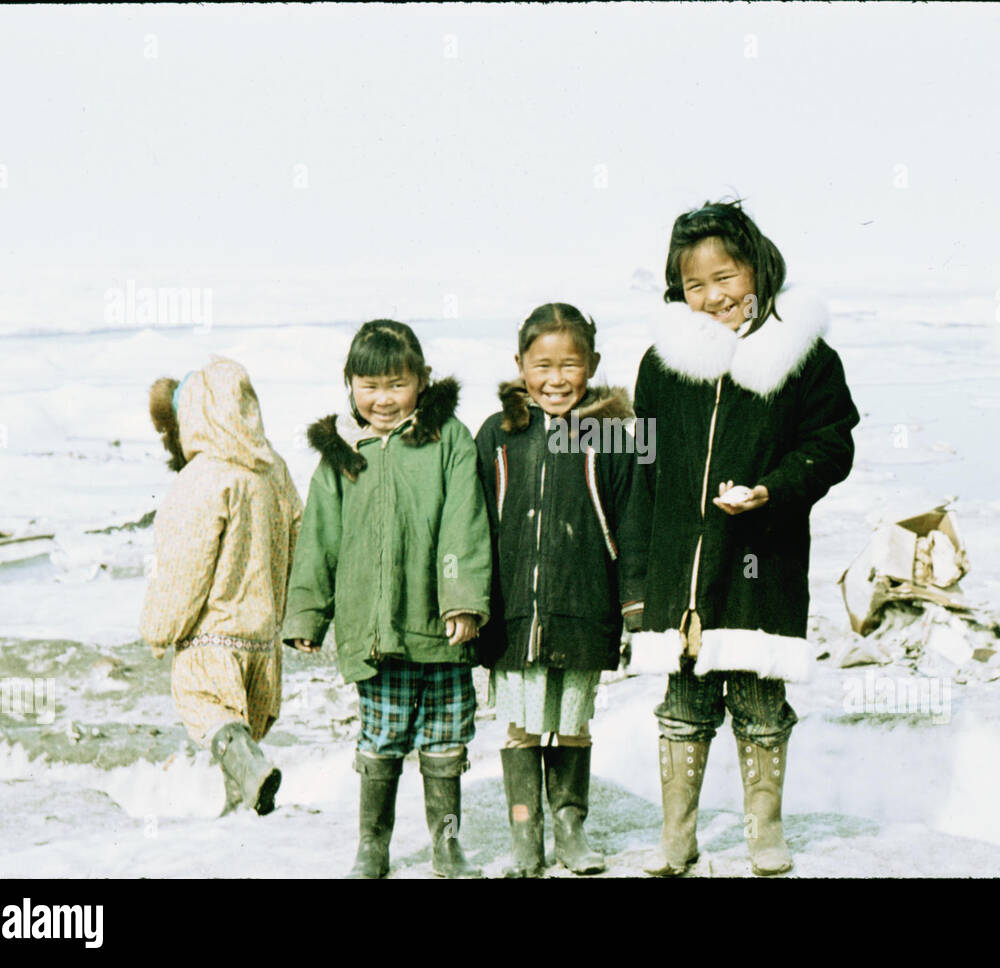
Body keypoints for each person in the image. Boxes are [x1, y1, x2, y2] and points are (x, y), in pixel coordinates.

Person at [627, 200, 860, 876]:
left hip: (763, 556)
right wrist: (639, 576)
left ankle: (765, 831)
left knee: (760, 701)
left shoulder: (803, 356)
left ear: (757, 267)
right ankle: (678, 837)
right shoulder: (663, 362)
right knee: (683, 704)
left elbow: (831, 444)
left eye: (724, 276)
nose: (712, 297)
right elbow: (643, 465)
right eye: (694, 285)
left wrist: (774, 489)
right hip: (682, 565)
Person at [281, 320, 491, 879]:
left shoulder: (450, 440)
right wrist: (307, 612)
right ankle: (372, 845)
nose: (383, 399)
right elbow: (319, 539)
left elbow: (464, 524)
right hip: (376, 630)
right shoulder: (342, 454)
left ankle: (447, 845)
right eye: (368, 385)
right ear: (348, 383)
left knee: (445, 740)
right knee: (382, 739)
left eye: (396, 384)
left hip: (439, 626)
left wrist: (463, 601)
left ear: (421, 381)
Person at [474, 303, 646, 877]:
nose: (555, 379)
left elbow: (633, 522)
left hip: (582, 603)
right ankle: (527, 838)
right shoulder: (498, 435)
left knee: (572, 720)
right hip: (516, 608)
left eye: (569, 365)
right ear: (519, 364)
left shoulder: (614, 436)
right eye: (541, 364)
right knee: (522, 724)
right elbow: (475, 525)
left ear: (592, 364)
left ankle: (571, 832)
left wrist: (634, 605)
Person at [141, 355, 302, 817]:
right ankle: (242, 806)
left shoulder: (202, 479)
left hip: (213, 640)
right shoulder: (275, 470)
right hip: (262, 641)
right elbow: (296, 539)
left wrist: (158, 628)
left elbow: (183, 569)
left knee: (206, 708)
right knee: (243, 730)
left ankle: (250, 781)